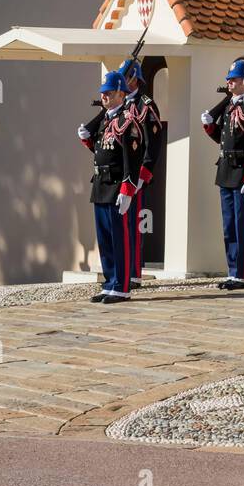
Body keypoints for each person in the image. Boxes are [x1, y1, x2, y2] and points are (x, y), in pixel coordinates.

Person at [78, 71, 145, 304]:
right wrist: (88, 138)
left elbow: (132, 159)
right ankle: (110, 282)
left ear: (120, 93)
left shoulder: (128, 123)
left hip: (117, 186)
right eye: (103, 93)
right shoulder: (106, 121)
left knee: (119, 239)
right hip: (100, 184)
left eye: (108, 93)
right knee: (105, 239)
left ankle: (122, 285)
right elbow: (102, 151)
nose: (104, 97)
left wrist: (128, 189)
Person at [201, 57, 244, 290]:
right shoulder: (230, 107)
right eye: (228, 79)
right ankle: (233, 271)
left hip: (242, 175)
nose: (229, 83)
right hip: (226, 172)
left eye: (234, 79)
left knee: (242, 226)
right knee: (229, 226)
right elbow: (224, 138)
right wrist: (210, 126)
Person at [118, 57, 163, 288]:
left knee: (134, 225)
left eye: (125, 78)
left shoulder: (145, 105)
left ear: (134, 79)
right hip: (119, 173)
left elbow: (153, 143)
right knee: (120, 225)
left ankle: (134, 273)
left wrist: (144, 174)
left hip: (135, 174)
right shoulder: (121, 105)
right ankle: (122, 270)